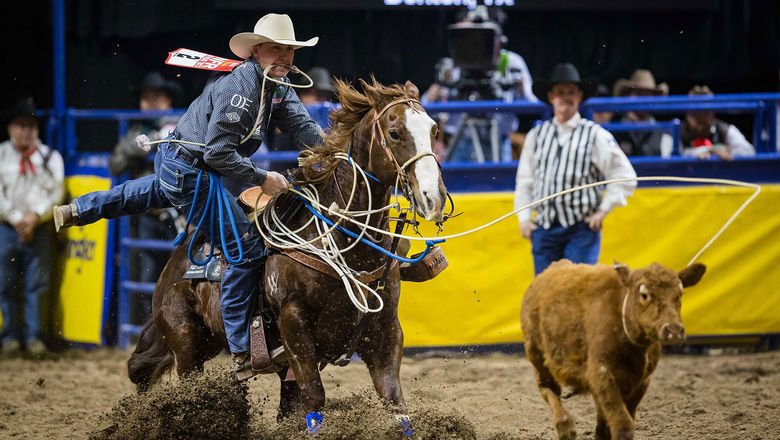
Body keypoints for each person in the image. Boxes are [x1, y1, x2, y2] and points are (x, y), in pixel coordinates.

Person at [53, 13, 323, 377]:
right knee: (245, 248)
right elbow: (218, 152)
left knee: (152, 191)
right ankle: (241, 349)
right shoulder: (242, 91)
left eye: (290, 50)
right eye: (277, 48)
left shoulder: (277, 86)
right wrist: (263, 177)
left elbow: (302, 126)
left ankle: (78, 209)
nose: (286, 57)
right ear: (256, 51)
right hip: (195, 170)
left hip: (182, 162)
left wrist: (332, 149)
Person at [515, 63, 637, 276]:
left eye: (571, 92)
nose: (565, 97)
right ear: (551, 96)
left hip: (581, 230)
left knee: (579, 287)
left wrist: (603, 210)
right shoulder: (536, 136)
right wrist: (524, 218)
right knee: (545, 291)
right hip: (544, 228)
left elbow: (625, 176)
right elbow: (525, 180)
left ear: (579, 96)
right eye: (560, 92)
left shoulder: (595, 135)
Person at [108, 72, 184, 324]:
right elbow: (115, 164)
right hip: (149, 213)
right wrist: (145, 145)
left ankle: (178, 328)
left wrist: (144, 146)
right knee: (148, 276)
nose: (150, 102)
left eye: (156, 96)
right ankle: (152, 330)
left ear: (167, 99)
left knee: (181, 273)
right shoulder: (137, 129)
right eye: (146, 97)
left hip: (180, 211)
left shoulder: (182, 123)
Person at [422, 6, 537, 163]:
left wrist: (521, 91)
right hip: (460, 140)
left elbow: (533, 104)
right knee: (452, 178)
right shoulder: (453, 65)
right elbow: (427, 104)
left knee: (498, 179)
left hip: (498, 140)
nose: (475, 41)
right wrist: (431, 96)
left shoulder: (512, 62)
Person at [0, 97, 65, 354]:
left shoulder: (50, 157)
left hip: (39, 227)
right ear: (11, 128)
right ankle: (10, 336)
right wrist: (18, 218)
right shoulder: (2, 154)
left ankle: (34, 336)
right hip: (7, 227)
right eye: (21, 125)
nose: (26, 130)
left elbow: (56, 191)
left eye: (30, 125)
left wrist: (35, 216)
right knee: (5, 283)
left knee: (37, 284)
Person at [680, 85, 756, 160]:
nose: (701, 116)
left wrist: (725, 152)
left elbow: (749, 152)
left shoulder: (725, 129)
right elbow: (675, 153)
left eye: (706, 111)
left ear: (713, 112)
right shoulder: (678, 131)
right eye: (695, 112)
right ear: (687, 114)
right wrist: (709, 150)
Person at [612, 69, 674, 157]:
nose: (643, 99)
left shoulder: (664, 134)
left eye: (647, 95)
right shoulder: (614, 131)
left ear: (654, 99)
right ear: (628, 95)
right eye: (638, 93)